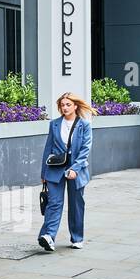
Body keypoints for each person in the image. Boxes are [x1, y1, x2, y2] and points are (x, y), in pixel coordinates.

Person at [38, 92, 94, 252]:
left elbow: (85, 149)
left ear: (75, 106)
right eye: (62, 105)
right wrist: (43, 173)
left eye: (68, 104)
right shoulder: (54, 124)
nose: (65, 107)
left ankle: (77, 238)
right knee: (54, 203)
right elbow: (48, 148)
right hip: (55, 169)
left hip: (76, 170)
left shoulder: (85, 125)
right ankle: (48, 236)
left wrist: (75, 169)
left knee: (76, 205)